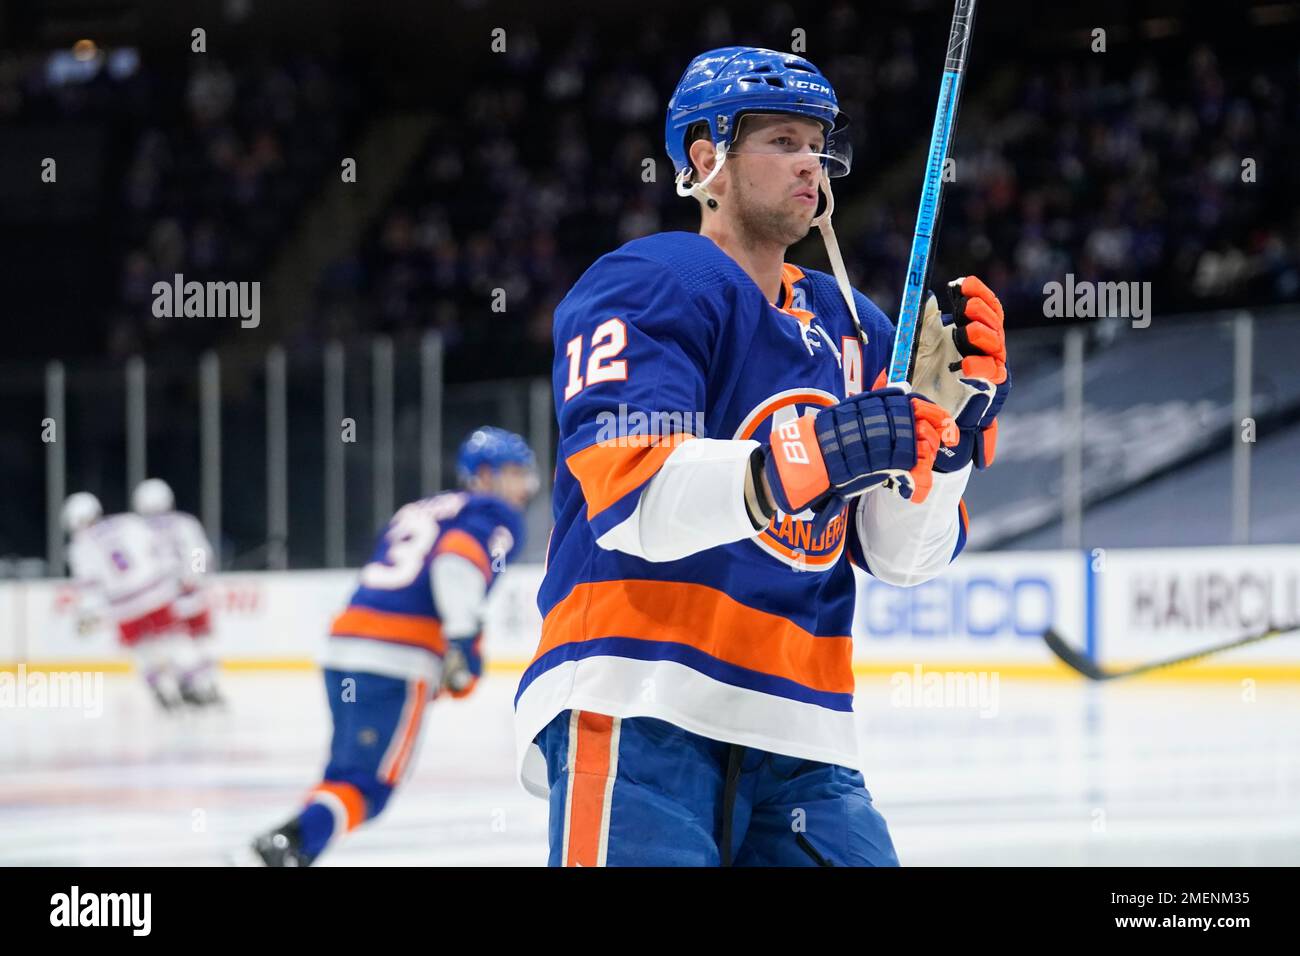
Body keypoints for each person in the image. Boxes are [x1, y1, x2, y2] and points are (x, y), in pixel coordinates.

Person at [513, 46, 1011, 866]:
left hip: (803, 734)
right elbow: (632, 500)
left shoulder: (856, 327)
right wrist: (820, 451)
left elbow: (899, 556)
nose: (810, 164)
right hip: (640, 702)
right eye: (783, 141)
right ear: (706, 158)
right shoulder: (652, 281)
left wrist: (947, 439)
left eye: (818, 143)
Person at [249, 427, 537, 866]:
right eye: (514, 472)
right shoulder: (495, 512)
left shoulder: (423, 507)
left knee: (344, 775)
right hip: (395, 655)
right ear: (483, 476)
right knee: (369, 787)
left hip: (344, 647)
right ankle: (287, 848)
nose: (525, 486)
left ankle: (294, 843)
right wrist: (464, 641)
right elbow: (456, 563)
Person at [63, 492, 190, 710]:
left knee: (142, 650)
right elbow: (187, 552)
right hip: (160, 591)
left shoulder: (80, 545)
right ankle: (194, 684)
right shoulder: (135, 522)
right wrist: (189, 576)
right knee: (176, 642)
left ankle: (161, 689)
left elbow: (90, 585)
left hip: (123, 604)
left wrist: (88, 611)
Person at [132, 478, 223, 706]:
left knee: (170, 644)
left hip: (159, 598)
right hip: (188, 593)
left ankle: (183, 683)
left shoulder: (137, 529)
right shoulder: (185, 523)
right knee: (199, 641)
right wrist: (195, 578)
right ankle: (206, 685)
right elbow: (200, 553)